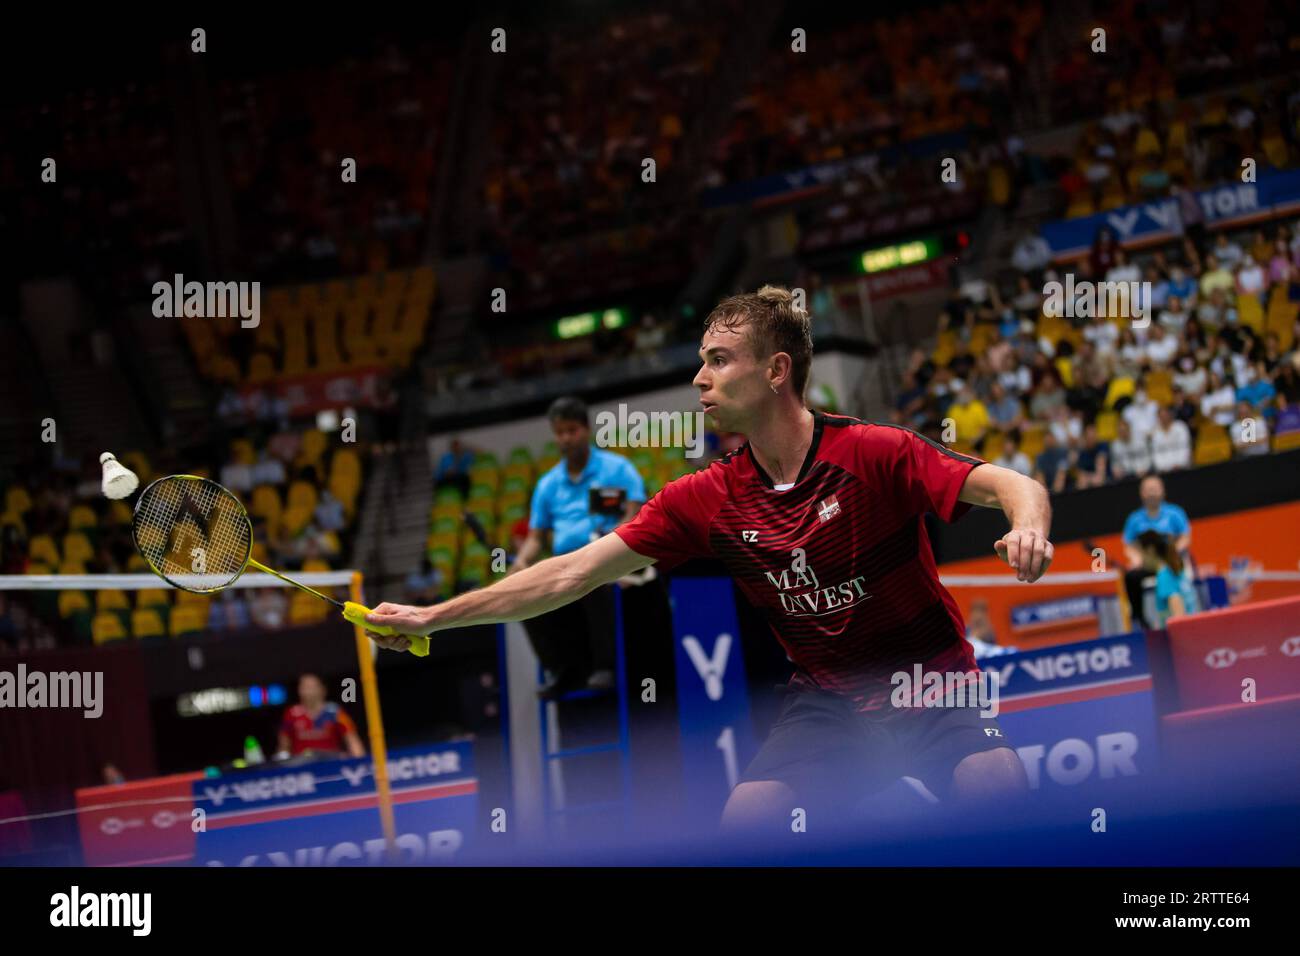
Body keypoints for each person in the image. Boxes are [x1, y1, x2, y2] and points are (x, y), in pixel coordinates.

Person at [360, 286, 1054, 829]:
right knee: (749, 820)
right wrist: (433, 618)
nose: (699, 379)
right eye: (702, 361)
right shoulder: (707, 497)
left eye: (718, 360)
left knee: (993, 784)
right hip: (829, 702)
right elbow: (568, 573)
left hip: (929, 683)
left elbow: (1014, 485)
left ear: (777, 371)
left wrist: (1027, 529)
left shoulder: (874, 452)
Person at [510, 396, 646, 698]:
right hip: (563, 565)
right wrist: (520, 564)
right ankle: (562, 670)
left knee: (594, 579)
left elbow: (634, 512)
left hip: (608, 561)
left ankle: (604, 667)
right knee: (521, 591)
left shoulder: (616, 468)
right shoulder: (548, 485)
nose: (566, 438)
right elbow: (535, 538)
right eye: (559, 432)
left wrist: (615, 549)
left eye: (572, 430)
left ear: (586, 430)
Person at [1121, 474, 1192, 629]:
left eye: (1155, 489)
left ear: (1163, 491)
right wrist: (1136, 558)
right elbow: (1128, 545)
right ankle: (1140, 619)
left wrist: (1172, 552)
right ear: (1142, 493)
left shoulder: (1175, 513)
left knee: (1166, 574)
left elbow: (1185, 538)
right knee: (1131, 577)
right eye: (1148, 489)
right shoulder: (1134, 519)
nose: (1152, 492)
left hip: (1171, 562)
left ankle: (1179, 622)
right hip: (1149, 564)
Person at [276, 673, 365, 758]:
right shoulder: (291, 713)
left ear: (323, 689)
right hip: (302, 766)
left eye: (312, 687)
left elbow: (353, 741)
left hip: (331, 763)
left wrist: (358, 761)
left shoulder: (336, 712)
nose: (308, 691)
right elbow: (284, 745)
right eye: (304, 687)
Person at [1134, 530, 1200, 628]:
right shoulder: (1174, 570)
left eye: (1140, 553)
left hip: (1183, 637)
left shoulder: (1164, 577)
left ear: (1150, 550)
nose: (1139, 559)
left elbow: (1179, 618)